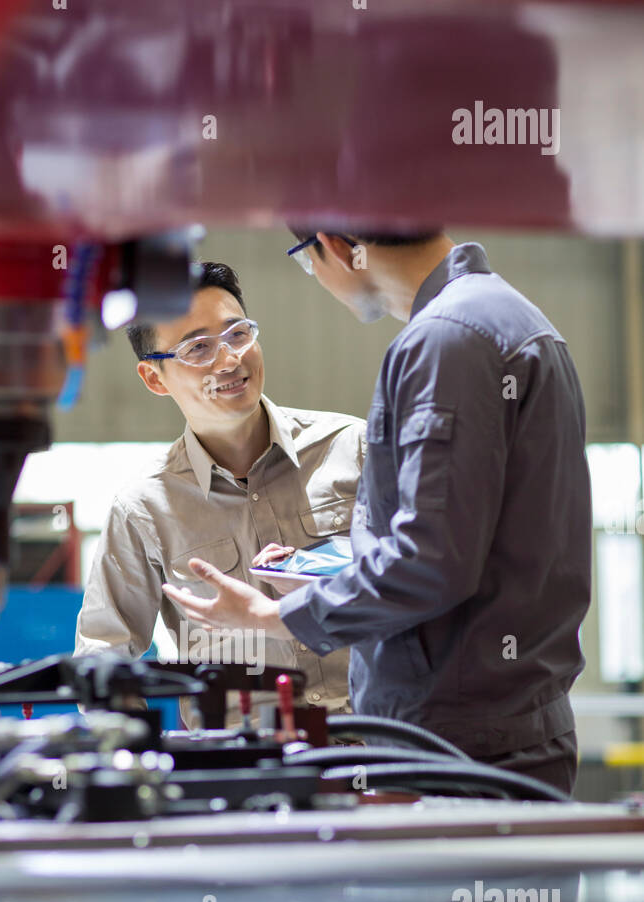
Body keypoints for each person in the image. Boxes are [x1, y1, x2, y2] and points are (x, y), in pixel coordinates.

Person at [163, 232, 592, 793]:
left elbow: (431, 562)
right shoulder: (505, 318)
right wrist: (331, 571)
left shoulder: (447, 340)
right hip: (490, 735)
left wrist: (276, 616)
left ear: (338, 246)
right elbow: (472, 547)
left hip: (458, 750)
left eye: (308, 262)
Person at [73, 261, 367, 724]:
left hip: (384, 755)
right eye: (198, 348)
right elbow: (104, 660)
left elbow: (421, 585)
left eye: (237, 335)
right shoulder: (144, 509)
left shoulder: (353, 449)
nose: (229, 360)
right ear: (154, 378)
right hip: (243, 772)